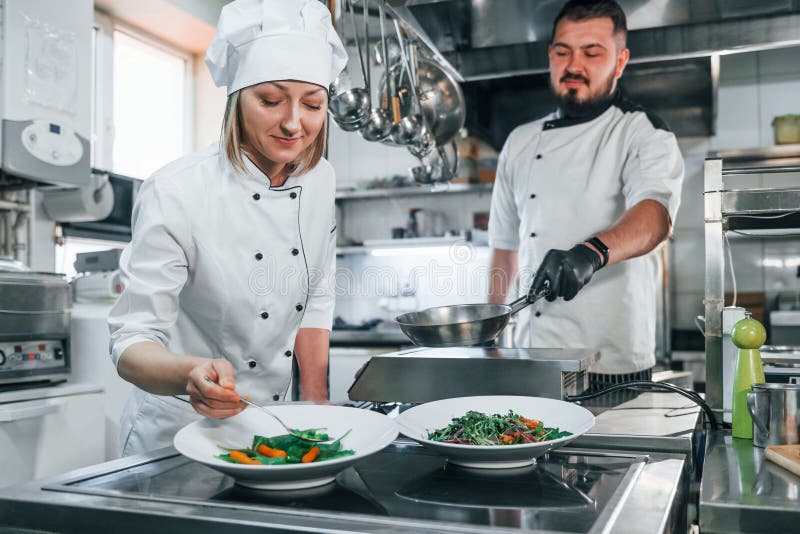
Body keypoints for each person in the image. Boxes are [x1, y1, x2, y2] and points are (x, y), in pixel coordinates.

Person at [108, 0, 348, 456]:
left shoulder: (322, 180)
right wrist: (189, 372)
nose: (295, 123)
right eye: (272, 100)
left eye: (314, 104)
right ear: (238, 100)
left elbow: (317, 296)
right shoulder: (176, 190)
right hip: (178, 429)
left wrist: (315, 406)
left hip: (275, 425)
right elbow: (131, 341)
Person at [488, 0, 684, 387]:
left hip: (610, 366)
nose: (574, 65)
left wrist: (591, 252)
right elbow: (504, 247)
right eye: (563, 52)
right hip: (533, 359)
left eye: (592, 52)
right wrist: (490, 333)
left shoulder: (641, 132)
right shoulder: (520, 141)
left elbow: (655, 215)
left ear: (621, 60)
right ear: (550, 55)